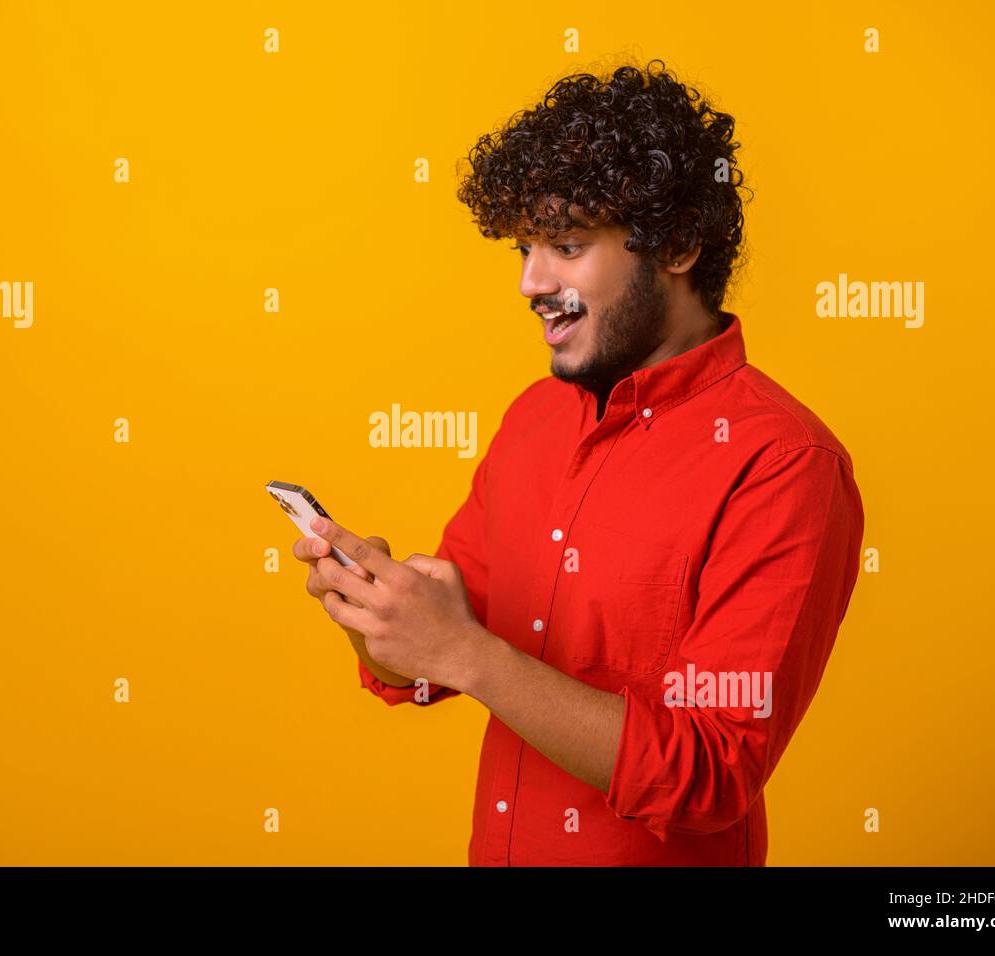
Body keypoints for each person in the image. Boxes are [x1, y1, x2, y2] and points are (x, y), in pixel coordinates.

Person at [292, 60, 864, 866]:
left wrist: (461, 650)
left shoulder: (783, 464)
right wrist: (379, 616)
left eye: (567, 245)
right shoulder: (535, 419)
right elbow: (431, 663)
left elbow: (708, 774)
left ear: (677, 244)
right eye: (526, 248)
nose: (532, 282)